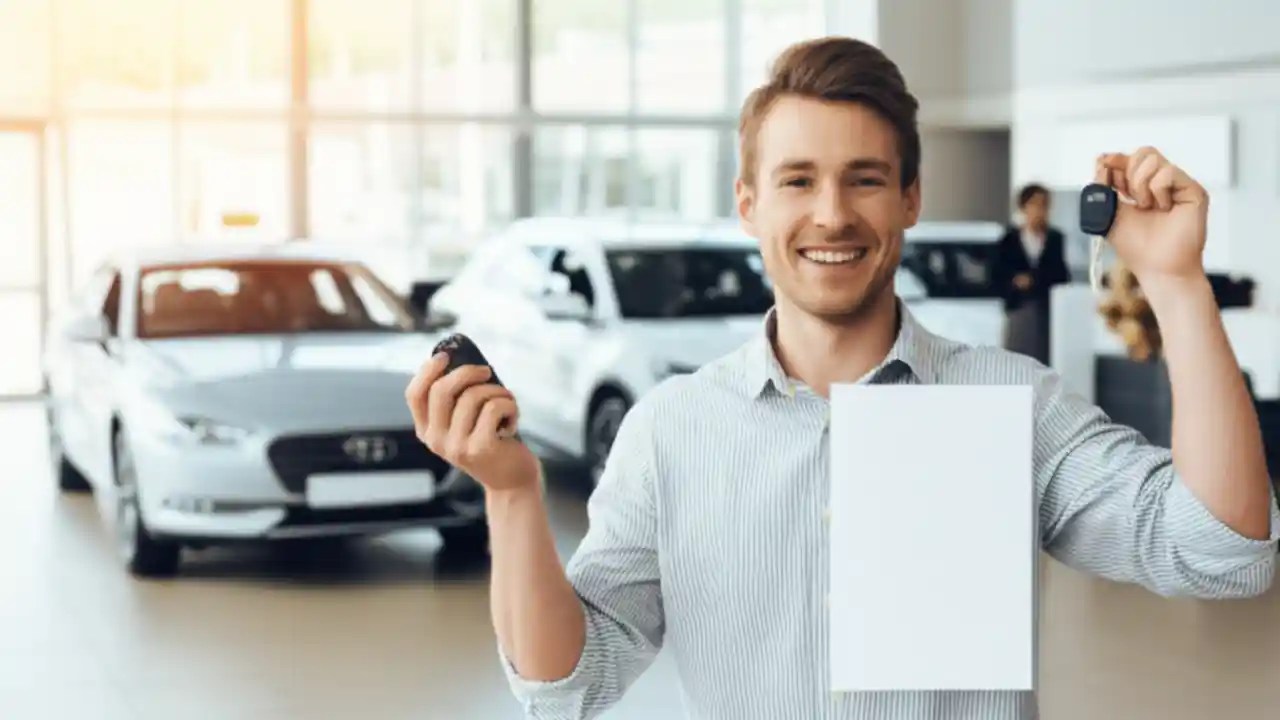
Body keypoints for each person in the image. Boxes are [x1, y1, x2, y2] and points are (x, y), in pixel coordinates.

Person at [404, 36, 1279, 720]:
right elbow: (567, 685)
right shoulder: (670, 430)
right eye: (798, 180)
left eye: (864, 180)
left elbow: (1223, 555)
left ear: (909, 199)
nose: (832, 214)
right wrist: (514, 496)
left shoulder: (1011, 403)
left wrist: (1174, 283)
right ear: (749, 204)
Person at [993, 183, 1071, 364]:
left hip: (1046, 310)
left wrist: (1034, 280)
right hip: (1018, 308)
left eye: (1044, 205)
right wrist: (1015, 282)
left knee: (1042, 362)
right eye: (1035, 204)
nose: (1040, 210)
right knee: (1015, 362)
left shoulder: (1055, 239)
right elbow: (996, 275)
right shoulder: (1009, 240)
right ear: (1023, 207)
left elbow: (1061, 274)